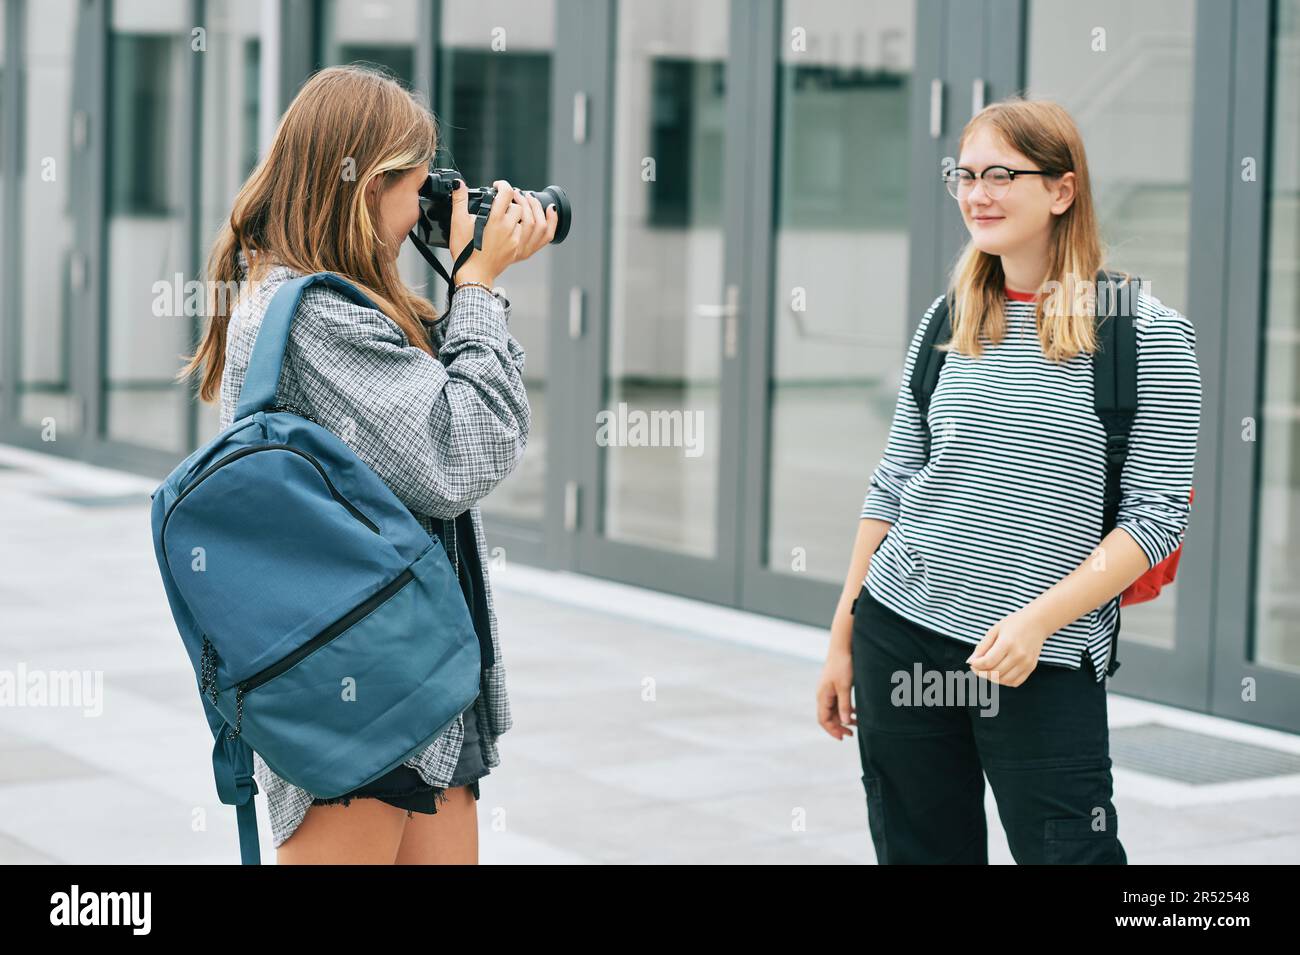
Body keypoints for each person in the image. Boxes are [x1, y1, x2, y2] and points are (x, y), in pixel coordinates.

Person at [180, 64, 557, 863]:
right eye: (414, 194)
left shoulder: (333, 300)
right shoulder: (317, 314)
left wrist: (463, 283)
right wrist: (479, 284)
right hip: (360, 692)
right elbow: (465, 451)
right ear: (364, 188)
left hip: (409, 677)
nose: (416, 215)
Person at [815, 96, 1200, 864]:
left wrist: (1035, 623)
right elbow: (894, 480)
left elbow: (1155, 518)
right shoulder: (949, 317)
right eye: (965, 174)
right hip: (904, 629)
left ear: (1062, 190)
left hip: (1043, 657)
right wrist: (844, 635)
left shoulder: (1145, 332)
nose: (976, 193)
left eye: (1001, 174)